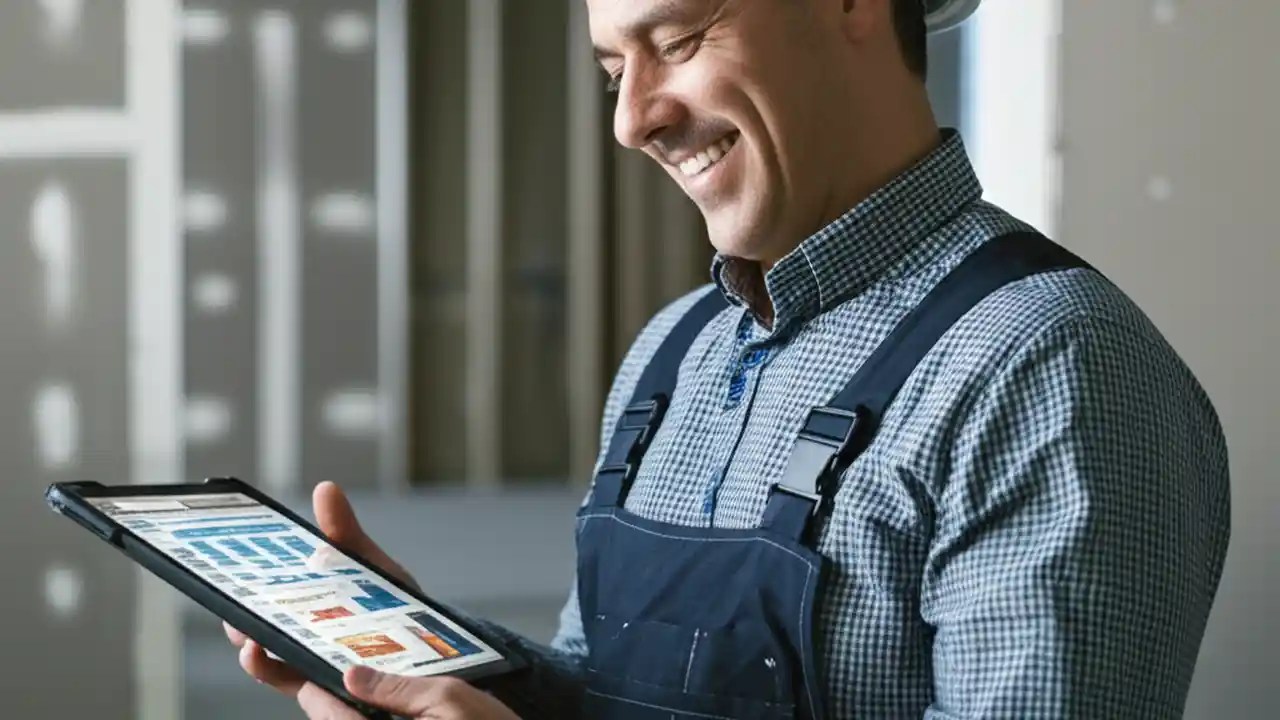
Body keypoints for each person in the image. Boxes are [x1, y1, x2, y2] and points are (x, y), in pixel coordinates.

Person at [227, 0, 1232, 717]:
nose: (631, 121)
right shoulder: (676, 353)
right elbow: (606, 686)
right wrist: (434, 658)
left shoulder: (1046, 367)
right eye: (614, 71)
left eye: (675, 41)